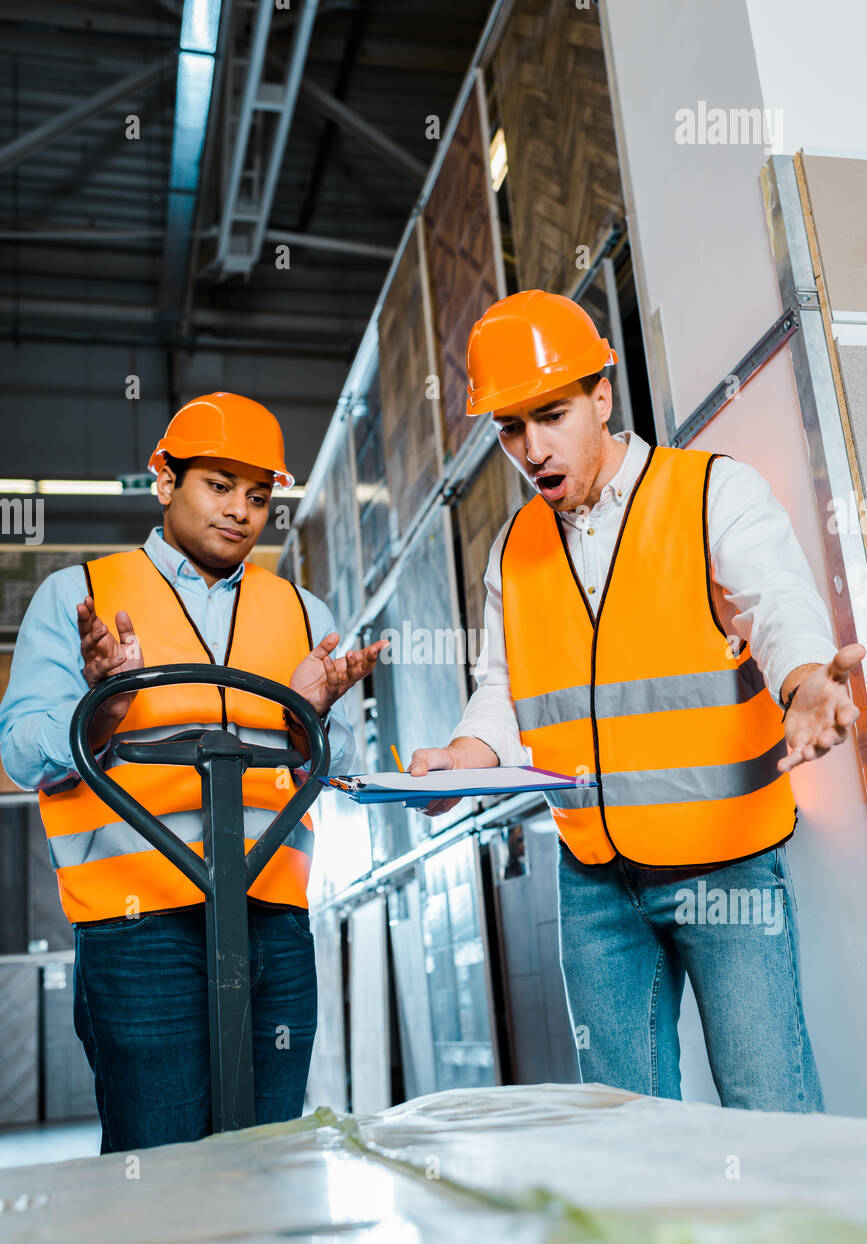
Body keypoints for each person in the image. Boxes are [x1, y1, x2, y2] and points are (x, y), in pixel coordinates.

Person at [408, 290, 864, 1112]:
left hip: (726, 864)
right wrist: (463, 758)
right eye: (510, 430)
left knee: (770, 1113)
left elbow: (776, 604)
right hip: (592, 880)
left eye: (550, 416)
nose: (532, 450)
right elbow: (502, 692)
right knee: (621, 1127)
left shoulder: (709, 493)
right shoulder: (513, 549)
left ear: (601, 397)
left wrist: (802, 681)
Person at [0, 391, 385, 1152]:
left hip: (272, 921)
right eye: (218, 484)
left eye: (258, 493)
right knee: (161, 1160)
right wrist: (99, 705)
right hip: (139, 927)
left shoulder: (306, 611)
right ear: (164, 480)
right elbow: (19, 758)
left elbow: (336, 768)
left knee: (270, 1154)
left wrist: (301, 719)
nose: (241, 509)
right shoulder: (80, 594)